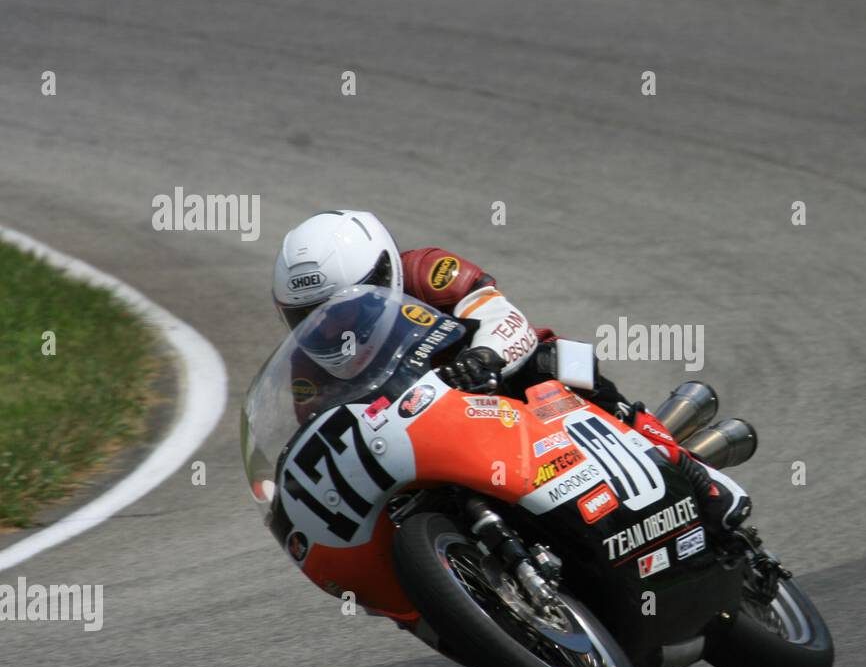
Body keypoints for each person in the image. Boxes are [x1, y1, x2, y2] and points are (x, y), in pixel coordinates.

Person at [272, 210, 751, 537]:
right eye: (310, 318)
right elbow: (327, 437)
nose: (331, 332)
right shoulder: (306, 368)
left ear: (383, 278)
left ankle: (690, 470)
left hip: (503, 388)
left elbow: (504, 317)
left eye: (342, 312)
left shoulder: (426, 271)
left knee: (564, 360)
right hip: (426, 442)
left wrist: (483, 358)